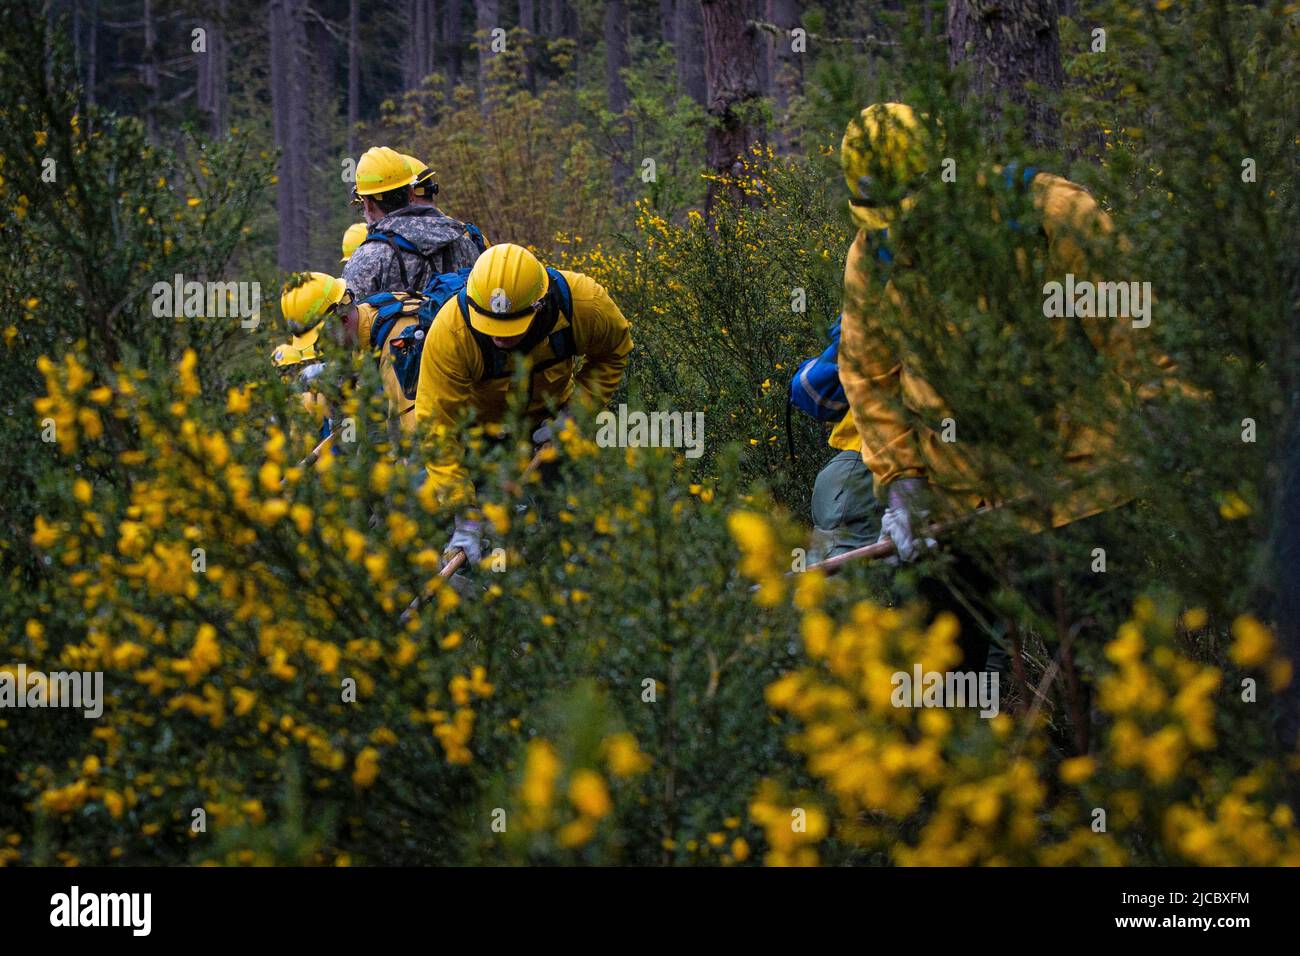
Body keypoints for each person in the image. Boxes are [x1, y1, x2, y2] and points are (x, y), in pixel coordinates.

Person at [835, 102, 1176, 686]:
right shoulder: (874, 257)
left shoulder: (1053, 215)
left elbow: (1135, 330)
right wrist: (902, 484)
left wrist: (1169, 411)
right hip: (953, 506)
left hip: (1072, 491)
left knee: (1108, 680)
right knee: (939, 687)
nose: (904, 232)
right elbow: (869, 376)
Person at [413, 243, 633, 567]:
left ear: (540, 305)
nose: (500, 339)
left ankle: (575, 582)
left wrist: (579, 412)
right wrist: (464, 512)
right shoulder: (452, 332)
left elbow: (615, 350)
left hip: (551, 425)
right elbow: (437, 427)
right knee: (433, 511)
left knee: (579, 516)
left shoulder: (585, 304)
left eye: (510, 328)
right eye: (492, 328)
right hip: (479, 431)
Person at [343, 146, 482, 297]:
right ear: (411, 193)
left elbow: (346, 318)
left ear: (368, 204)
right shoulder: (463, 242)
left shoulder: (366, 259)